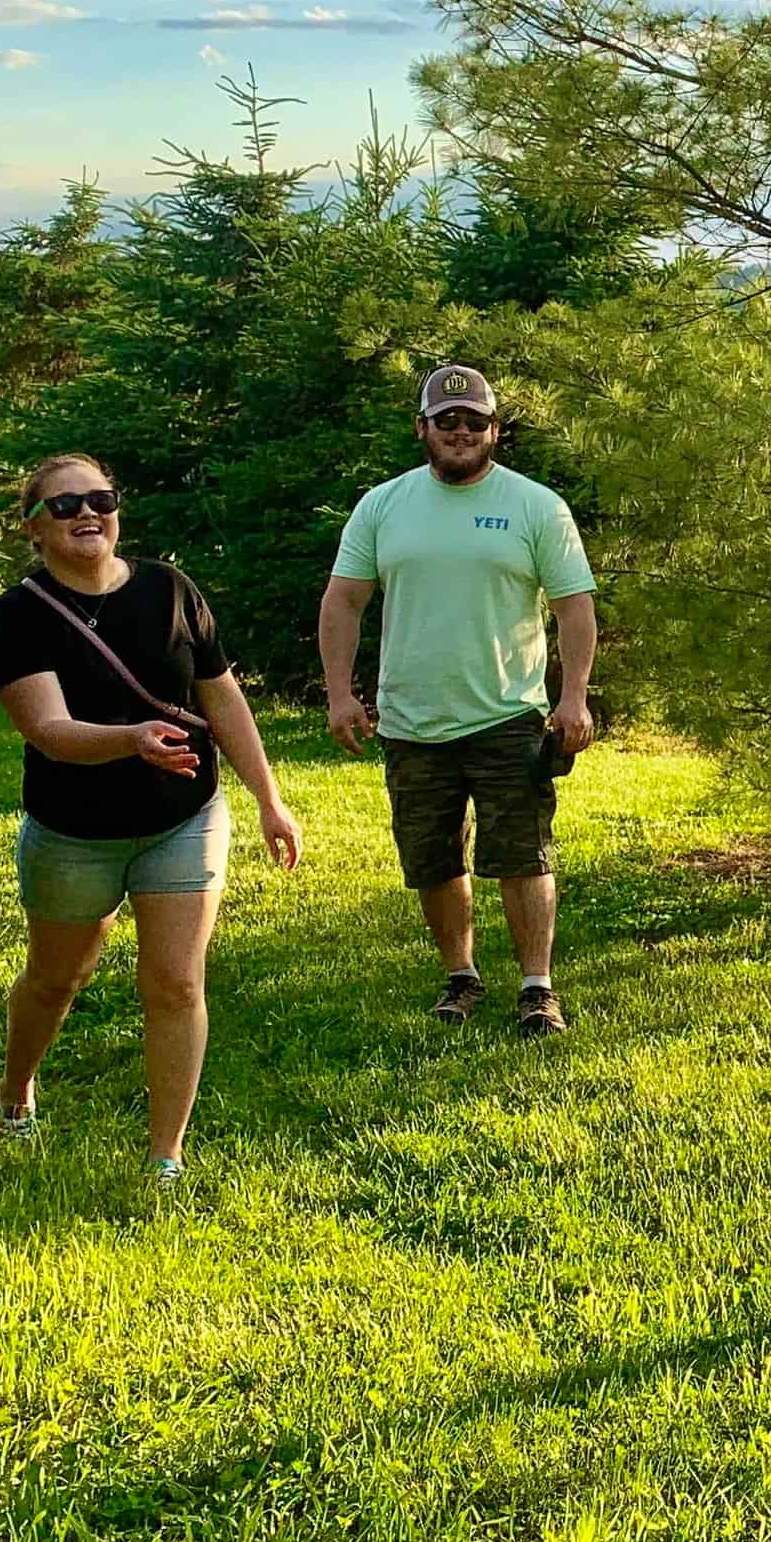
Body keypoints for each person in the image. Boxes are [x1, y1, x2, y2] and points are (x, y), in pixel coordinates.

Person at [0, 453, 302, 1179]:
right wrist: (132, 740)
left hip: (183, 819)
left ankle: (166, 1156)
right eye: (65, 506)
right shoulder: (17, 617)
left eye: (100, 498)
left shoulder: (169, 588)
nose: (88, 514)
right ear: (35, 527)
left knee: (177, 983)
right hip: (74, 831)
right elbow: (49, 730)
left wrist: (268, 798)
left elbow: (221, 698)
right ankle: (16, 1091)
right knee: (56, 979)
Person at [318, 365, 597, 1038]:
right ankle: (461, 977)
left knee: (523, 855)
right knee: (433, 859)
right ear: (422, 429)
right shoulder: (382, 506)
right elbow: (345, 600)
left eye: (474, 420)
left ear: (494, 430)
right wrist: (338, 693)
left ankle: (537, 987)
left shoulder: (536, 506)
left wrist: (573, 697)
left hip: (507, 714)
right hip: (412, 722)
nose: (461, 431)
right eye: (447, 420)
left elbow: (574, 607)